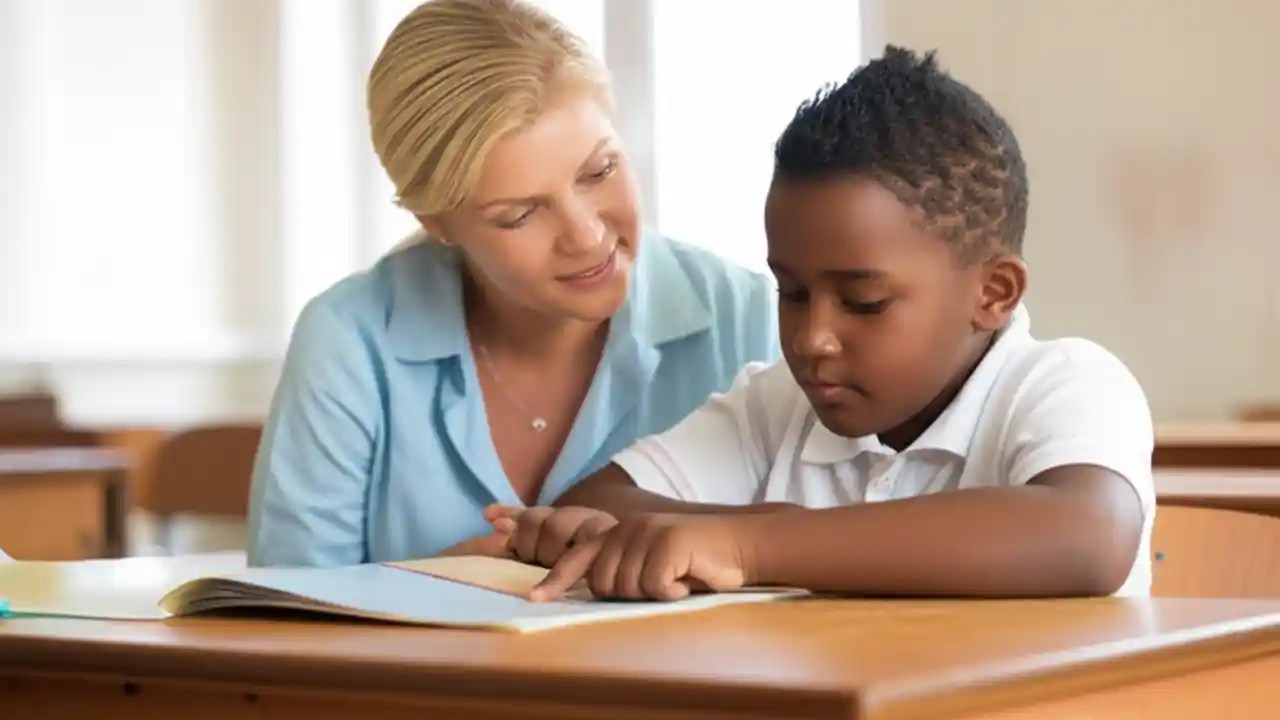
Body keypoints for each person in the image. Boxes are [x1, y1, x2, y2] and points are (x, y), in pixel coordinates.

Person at [495, 46, 1155, 602]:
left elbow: (1086, 536)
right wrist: (629, 534)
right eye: (792, 292)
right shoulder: (777, 407)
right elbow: (601, 502)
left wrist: (747, 544)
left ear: (994, 291)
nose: (812, 339)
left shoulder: (1065, 383)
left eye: (865, 304)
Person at [246, 0, 778, 567]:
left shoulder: (746, 316)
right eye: (520, 214)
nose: (587, 234)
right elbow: (285, 619)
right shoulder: (349, 340)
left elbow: (811, 588)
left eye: (600, 171)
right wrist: (441, 590)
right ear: (438, 224)